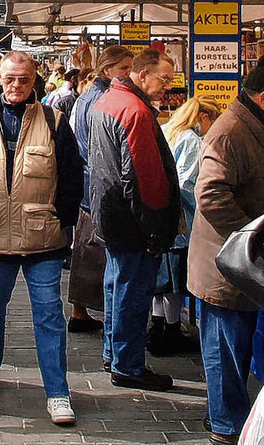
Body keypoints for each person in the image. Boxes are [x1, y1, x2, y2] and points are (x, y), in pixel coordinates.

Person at [0, 50, 84, 427]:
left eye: (24, 79)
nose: (16, 86)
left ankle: (57, 392)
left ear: (34, 80)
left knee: (49, 314)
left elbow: (72, 176)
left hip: (43, 237)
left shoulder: (54, 121)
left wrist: (62, 218)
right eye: (10, 79)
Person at [189, 52, 264, 441]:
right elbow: (210, 194)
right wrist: (251, 240)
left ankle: (227, 416)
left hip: (244, 264)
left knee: (236, 349)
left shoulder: (256, 126)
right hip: (229, 265)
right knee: (226, 351)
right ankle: (226, 425)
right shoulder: (230, 131)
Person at [89, 48, 181, 392]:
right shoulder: (135, 110)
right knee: (131, 292)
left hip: (110, 214)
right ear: (143, 75)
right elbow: (145, 179)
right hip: (131, 221)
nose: (167, 87)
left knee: (117, 286)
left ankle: (114, 353)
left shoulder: (107, 100)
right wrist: (156, 231)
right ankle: (127, 364)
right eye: (164, 79)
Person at [68, 47, 135, 333]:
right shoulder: (101, 99)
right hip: (97, 186)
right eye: (124, 68)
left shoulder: (90, 95)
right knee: (93, 252)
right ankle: (86, 312)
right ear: (108, 70)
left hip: (90, 184)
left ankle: (81, 310)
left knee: (87, 250)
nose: (129, 74)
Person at [148, 95, 222, 355]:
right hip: (181, 223)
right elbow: (186, 184)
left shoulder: (167, 130)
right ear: (203, 117)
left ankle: (157, 327)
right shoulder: (190, 140)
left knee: (161, 281)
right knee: (175, 282)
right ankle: (171, 330)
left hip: (160, 219)